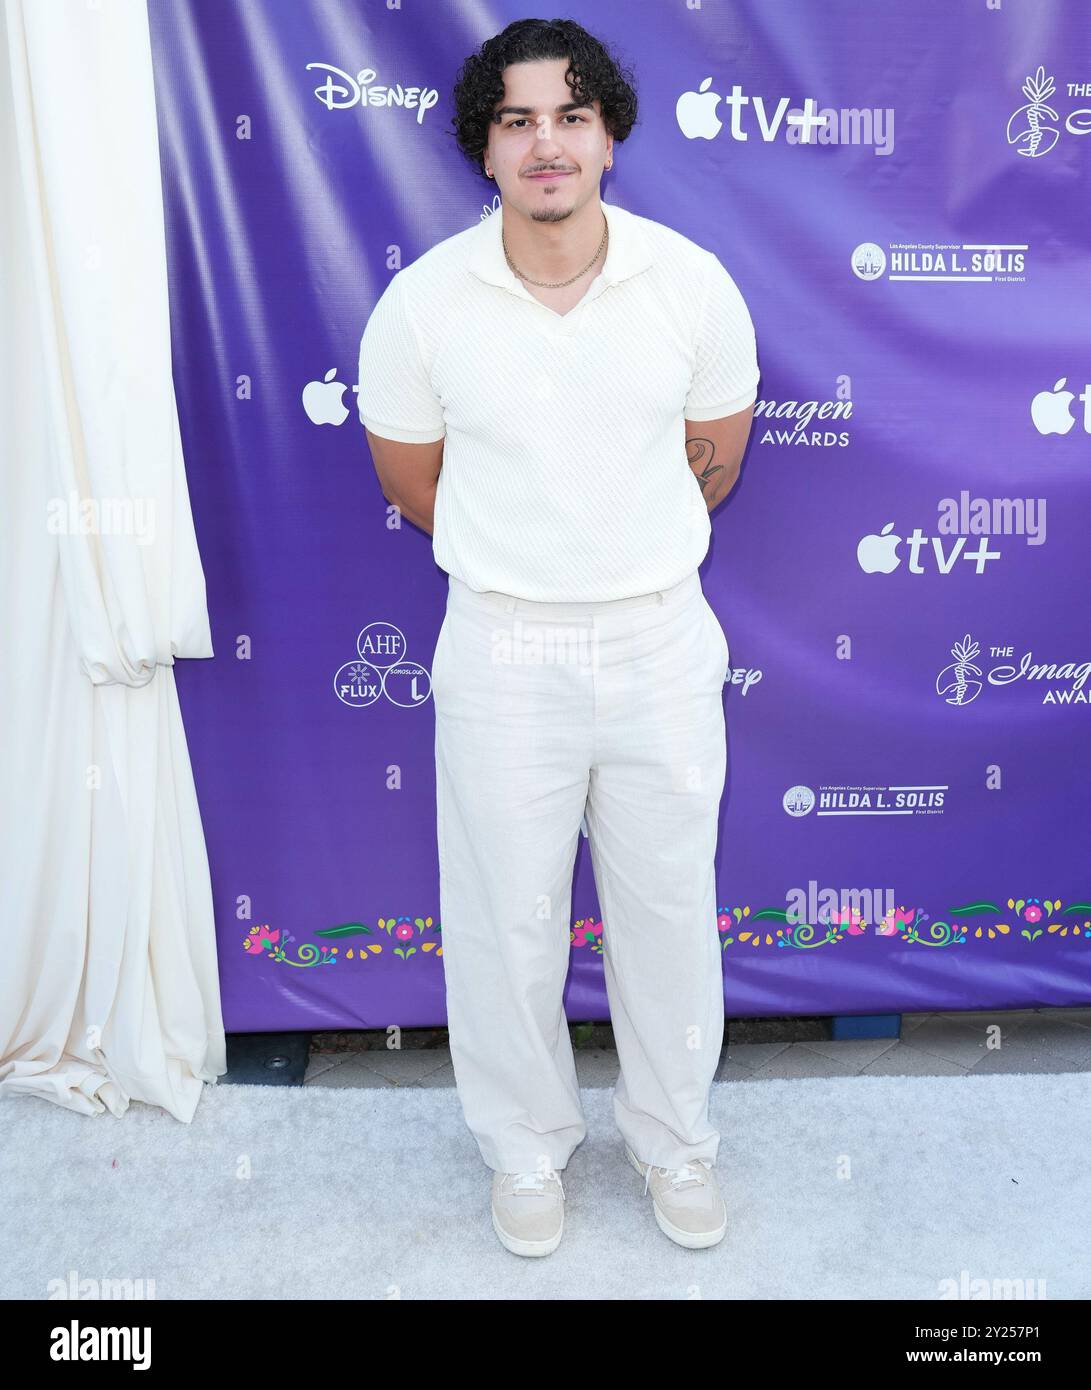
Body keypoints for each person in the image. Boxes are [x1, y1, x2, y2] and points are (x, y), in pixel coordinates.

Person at [357, 17, 758, 1257]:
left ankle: (674, 1145)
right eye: (518, 119)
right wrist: (535, 566)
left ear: (609, 135)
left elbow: (714, 466)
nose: (546, 144)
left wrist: (608, 558)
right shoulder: (421, 307)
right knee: (502, 921)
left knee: (665, 914)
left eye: (570, 117)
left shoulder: (690, 285)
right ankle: (524, 1154)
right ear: (484, 146)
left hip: (655, 645)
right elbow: (417, 488)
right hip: (499, 650)